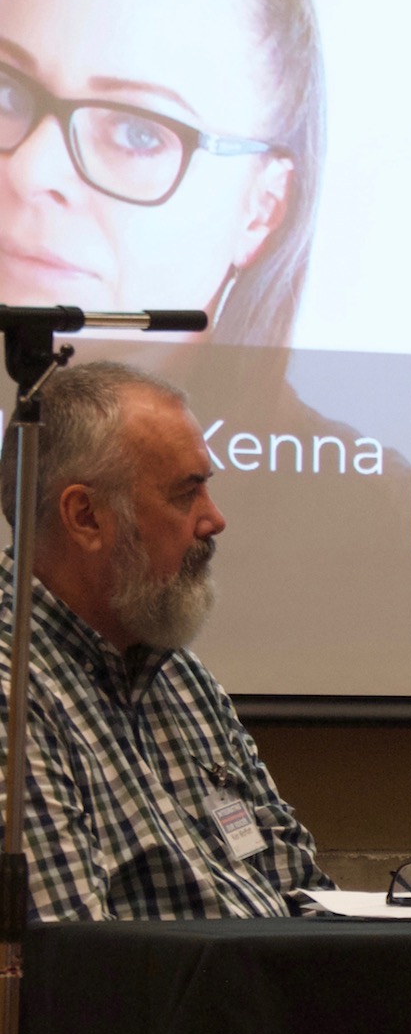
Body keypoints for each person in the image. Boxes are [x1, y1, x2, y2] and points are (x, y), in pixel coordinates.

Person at [0, 0, 411, 550]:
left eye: (138, 133)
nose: (31, 170)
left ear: (263, 207)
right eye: (8, 93)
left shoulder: (363, 515)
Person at [0, 361, 333, 919]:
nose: (215, 519)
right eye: (186, 494)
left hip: (273, 971)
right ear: (86, 516)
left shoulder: (178, 675)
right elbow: (72, 957)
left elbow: (303, 890)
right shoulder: (13, 690)